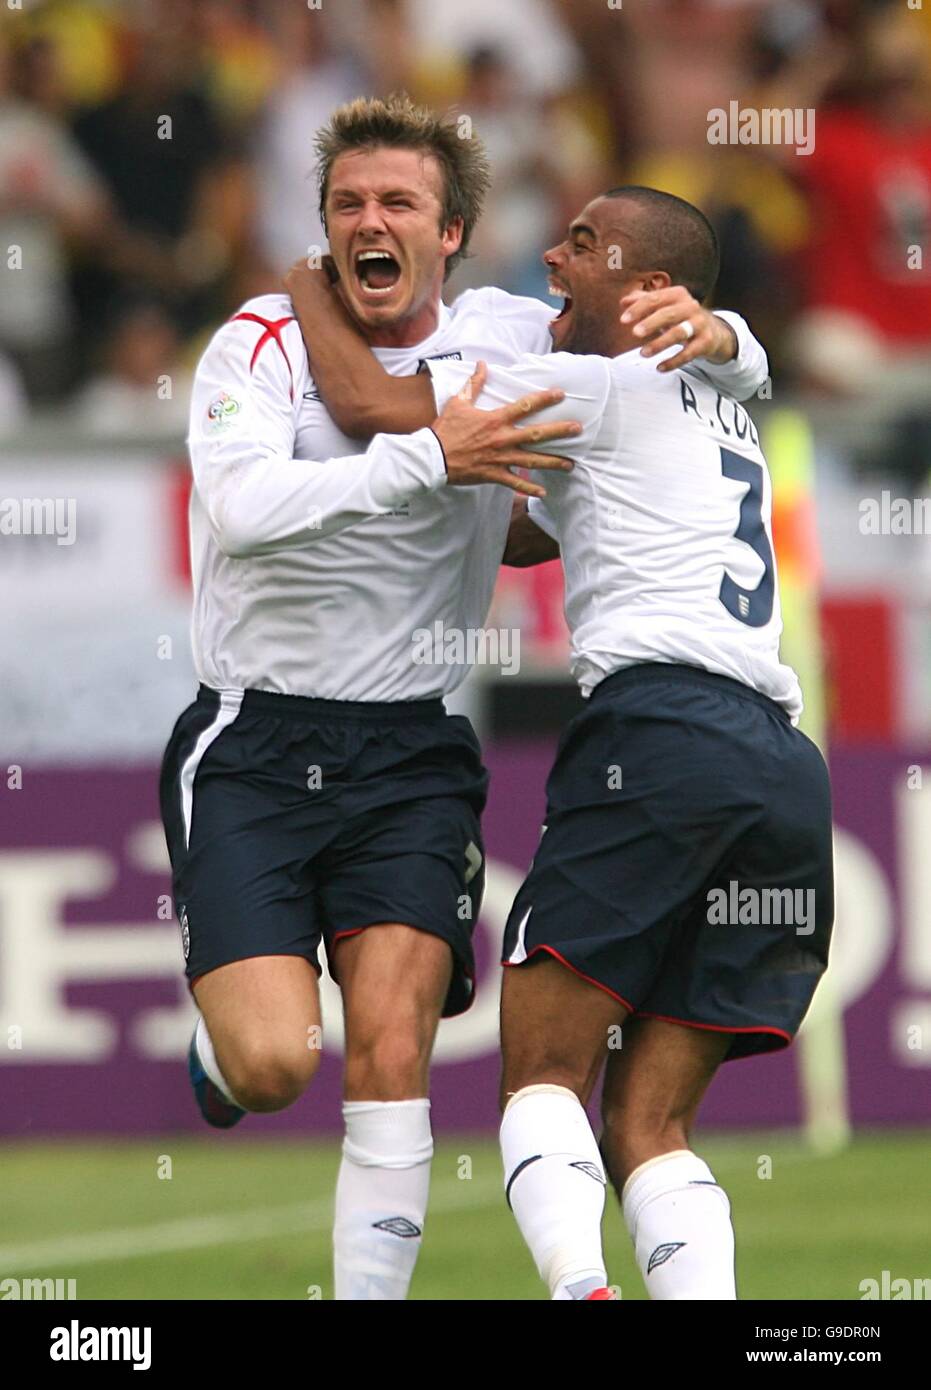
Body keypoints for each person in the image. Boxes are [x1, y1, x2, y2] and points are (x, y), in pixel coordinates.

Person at [162, 92, 768, 1302]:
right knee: (280, 1060)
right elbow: (241, 511)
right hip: (255, 736)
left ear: (452, 233)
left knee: (393, 1049)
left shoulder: (511, 332)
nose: (367, 221)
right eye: (346, 203)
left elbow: (668, 359)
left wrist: (728, 333)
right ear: (323, 224)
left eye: (398, 203)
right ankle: (226, 1060)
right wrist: (428, 460)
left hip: (411, 749)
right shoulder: (257, 340)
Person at [418, 188, 833, 1300]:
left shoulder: (594, 387)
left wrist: (378, 311)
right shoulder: (720, 401)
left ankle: (578, 1291)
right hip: (781, 767)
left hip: (659, 734)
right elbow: (522, 531)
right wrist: (734, 334)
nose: (551, 255)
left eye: (583, 246)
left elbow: (405, 409)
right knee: (650, 1121)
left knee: (541, 1072)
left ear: (652, 291)